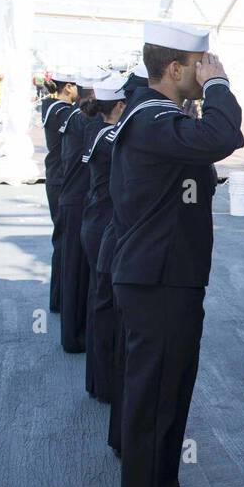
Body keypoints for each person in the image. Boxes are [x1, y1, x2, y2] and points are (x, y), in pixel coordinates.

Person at [110, 23, 243, 487]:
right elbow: (222, 138)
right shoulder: (152, 118)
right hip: (160, 283)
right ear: (174, 69)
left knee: (164, 406)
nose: (205, 69)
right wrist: (220, 86)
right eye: (199, 63)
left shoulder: (153, 118)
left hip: (162, 279)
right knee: (157, 410)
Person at [101, 62, 149, 457]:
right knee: (139, 367)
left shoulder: (125, 129)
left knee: (126, 358)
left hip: (122, 253)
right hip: (139, 264)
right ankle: (129, 443)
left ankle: (122, 436)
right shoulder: (143, 130)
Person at [80, 74, 127, 402]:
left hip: (94, 222)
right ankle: (107, 383)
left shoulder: (96, 131)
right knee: (108, 307)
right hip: (105, 228)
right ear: (121, 105)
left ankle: (98, 380)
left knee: (100, 304)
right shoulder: (113, 137)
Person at [56, 74, 97, 353]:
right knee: (76, 273)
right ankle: (73, 337)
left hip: (71, 198)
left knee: (71, 268)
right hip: (79, 202)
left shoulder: (74, 117)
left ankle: (70, 328)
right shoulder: (87, 123)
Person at [38, 76, 79, 313]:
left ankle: (59, 299)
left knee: (61, 241)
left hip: (56, 177)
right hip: (61, 180)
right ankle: (61, 300)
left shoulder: (51, 107)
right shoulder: (62, 112)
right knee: (64, 242)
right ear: (68, 87)